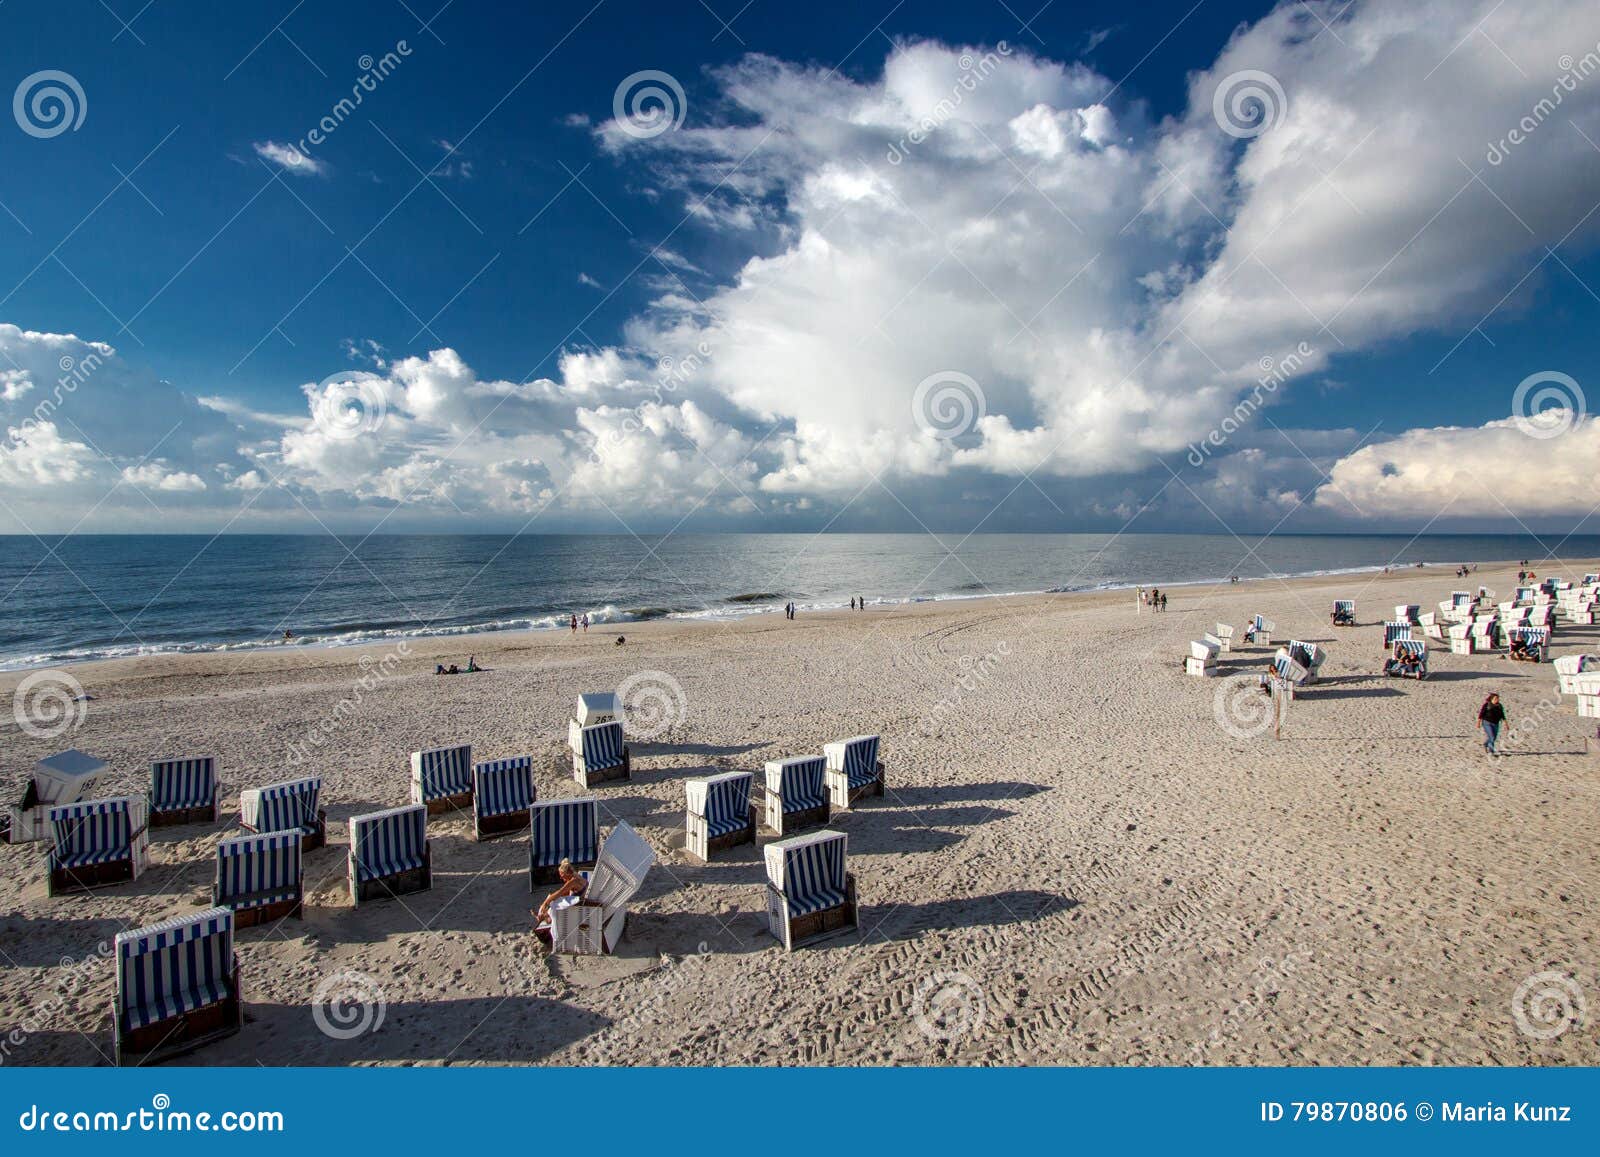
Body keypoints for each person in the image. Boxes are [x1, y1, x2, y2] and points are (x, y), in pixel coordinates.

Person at [534, 859, 588, 934]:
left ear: (568, 873)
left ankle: (545, 917)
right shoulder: (575, 875)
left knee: (555, 903)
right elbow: (563, 892)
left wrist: (545, 903)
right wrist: (549, 900)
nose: (561, 878)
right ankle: (544, 915)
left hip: (580, 907)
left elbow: (560, 892)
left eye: (562, 876)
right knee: (553, 899)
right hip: (580, 902)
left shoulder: (573, 881)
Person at [1478, 693, 1507, 758]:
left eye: (1498, 698)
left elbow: (1502, 715)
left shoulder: (1499, 705)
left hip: (1496, 723)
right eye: (1495, 698)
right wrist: (1478, 722)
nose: (1497, 700)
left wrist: (1506, 723)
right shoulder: (1487, 705)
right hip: (1487, 723)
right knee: (1492, 736)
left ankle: (1486, 744)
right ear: (1491, 699)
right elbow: (1481, 714)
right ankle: (1491, 751)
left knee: (1493, 738)